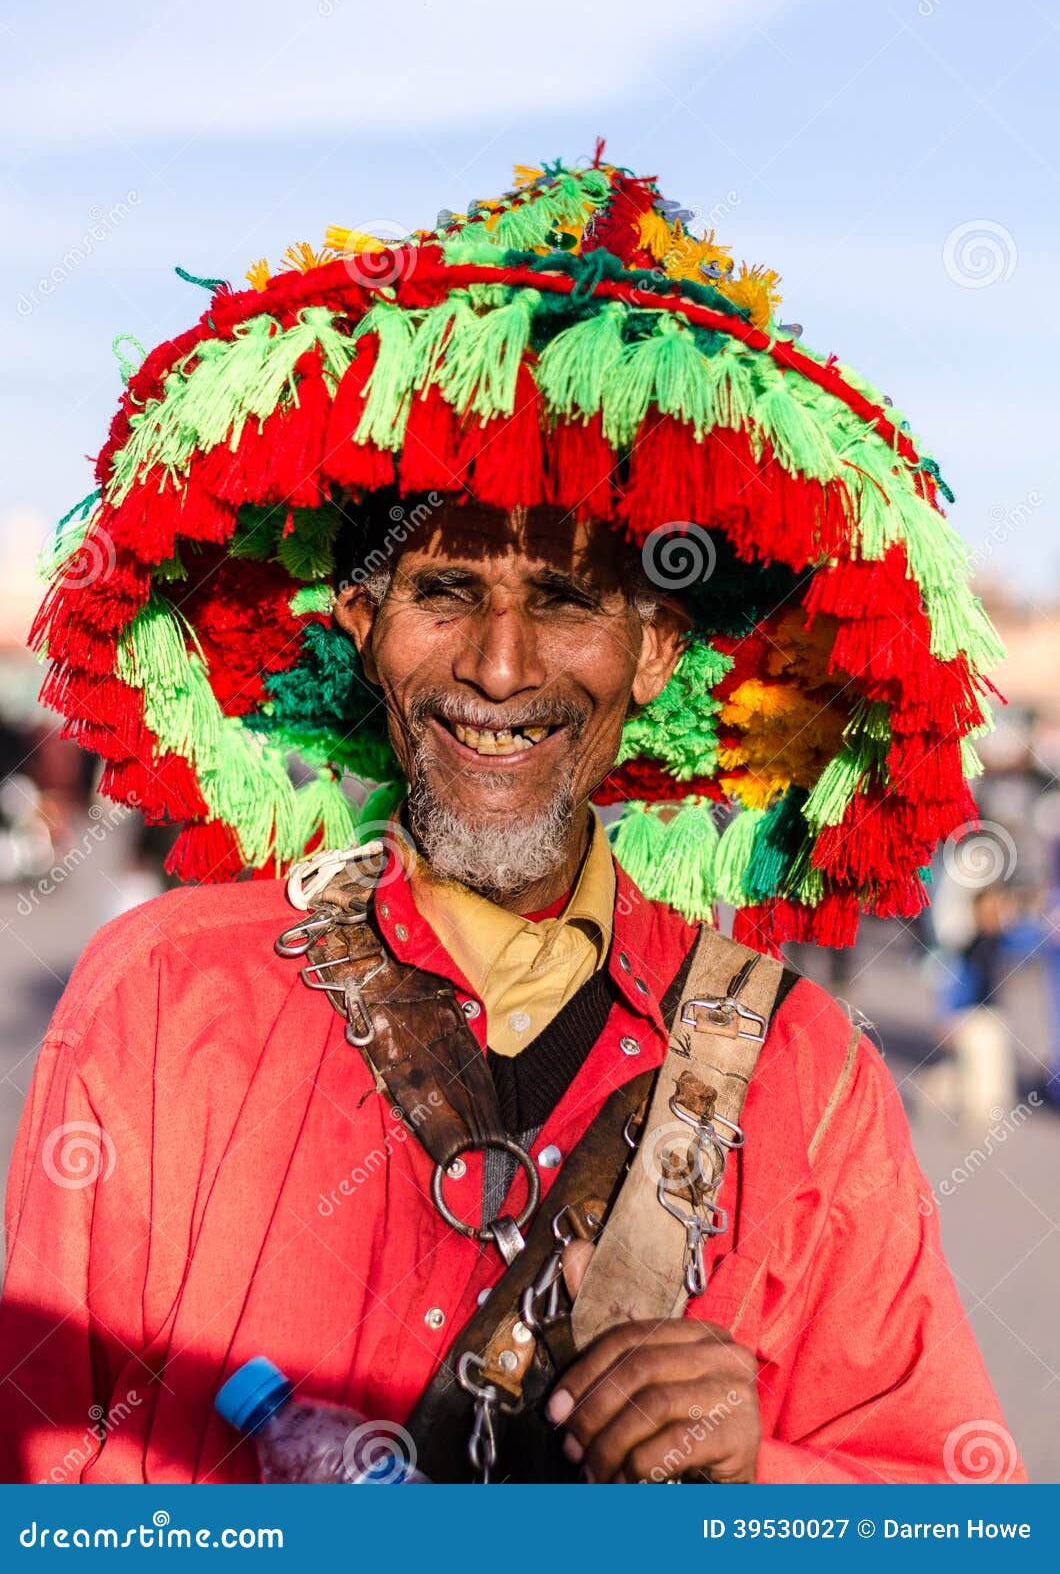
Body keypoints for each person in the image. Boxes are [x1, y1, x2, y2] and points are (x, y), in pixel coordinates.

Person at [0, 147, 1024, 1485]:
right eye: (445, 590)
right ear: (362, 627)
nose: (499, 665)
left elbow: (948, 1512)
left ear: (652, 653)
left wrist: (762, 1470)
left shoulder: (807, 1078)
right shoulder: (163, 1003)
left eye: (567, 599)